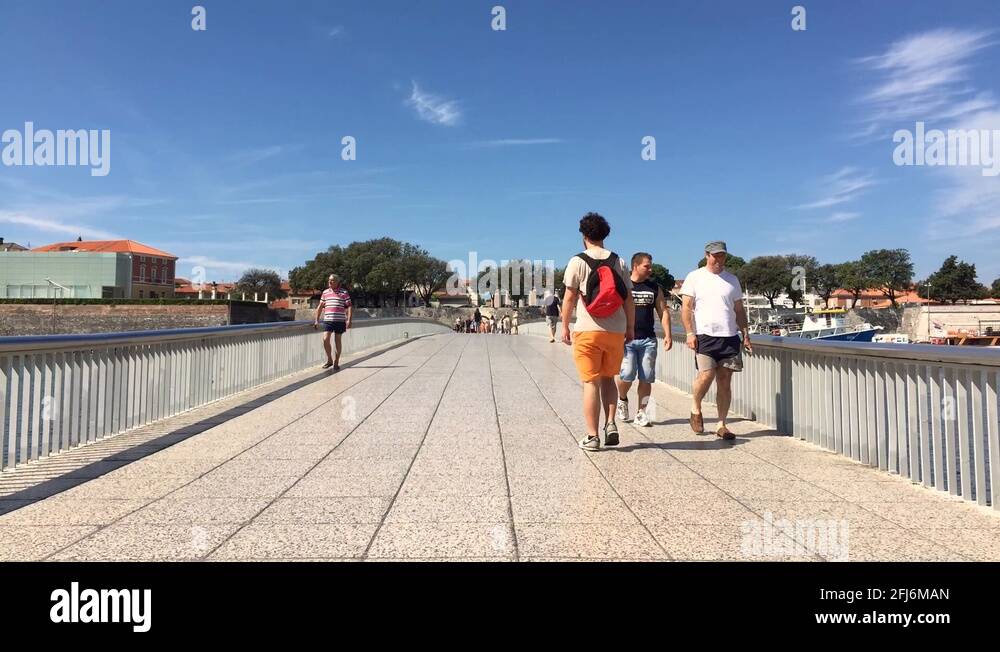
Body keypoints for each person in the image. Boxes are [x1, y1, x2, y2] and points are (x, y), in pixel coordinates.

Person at [561, 212, 635, 451]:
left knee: (590, 382)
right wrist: (630, 328)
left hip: (588, 330)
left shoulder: (577, 261)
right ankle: (611, 423)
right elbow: (628, 300)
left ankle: (592, 437)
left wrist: (564, 326)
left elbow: (570, 297)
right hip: (615, 331)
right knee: (608, 379)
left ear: (584, 235)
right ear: (605, 235)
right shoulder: (619, 261)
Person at [680, 241, 752, 440]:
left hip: (729, 336)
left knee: (725, 381)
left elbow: (739, 310)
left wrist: (745, 334)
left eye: (722, 255)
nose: (719, 259)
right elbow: (686, 307)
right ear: (707, 255)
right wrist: (689, 333)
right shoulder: (695, 277)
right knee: (706, 374)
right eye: (715, 255)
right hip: (704, 335)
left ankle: (722, 424)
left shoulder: (732, 280)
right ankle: (695, 408)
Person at [615, 252, 673, 427]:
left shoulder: (654, 287)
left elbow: (663, 312)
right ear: (635, 266)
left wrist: (668, 334)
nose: (650, 269)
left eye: (650, 266)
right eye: (646, 266)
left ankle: (641, 412)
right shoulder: (624, 286)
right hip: (627, 340)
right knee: (627, 375)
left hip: (648, 339)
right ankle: (622, 399)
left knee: (647, 377)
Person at [313, 273, 353, 370]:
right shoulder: (325, 292)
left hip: (340, 321)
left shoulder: (344, 292)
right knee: (325, 339)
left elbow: (349, 306)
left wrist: (349, 320)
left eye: (332, 280)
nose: (330, 282)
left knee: (337, 341)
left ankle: (336, 361)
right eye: (329, 280)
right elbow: (320, 306)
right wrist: (316, 320)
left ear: (337, 282)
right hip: (328, 320)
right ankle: (330, 360)